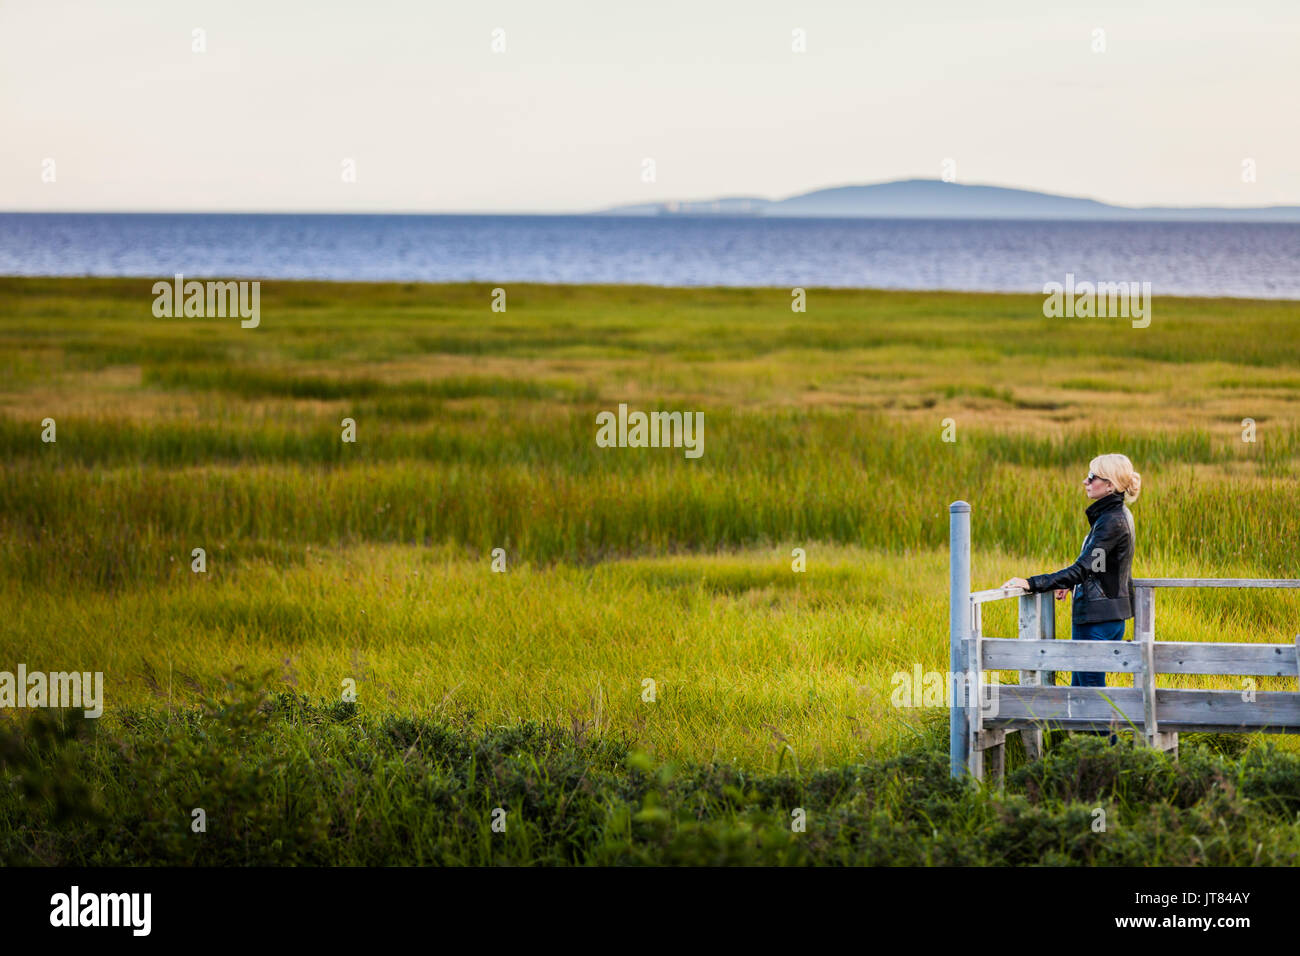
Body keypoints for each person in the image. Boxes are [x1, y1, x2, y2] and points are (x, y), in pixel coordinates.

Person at [1002, 454, 1140, 691]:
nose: (1085, 482)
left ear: (1110, 485)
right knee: (1081, 693)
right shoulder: (1113, 516)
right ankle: (1083, 731)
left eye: (1092, 477)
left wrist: (1030, 583)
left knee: (1090, 695)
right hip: (1104, 615)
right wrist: (1072, 583)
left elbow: (1082, 567)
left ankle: (1108, 731)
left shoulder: (1111, 521)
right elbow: (1098, 564)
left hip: (1098, 619)